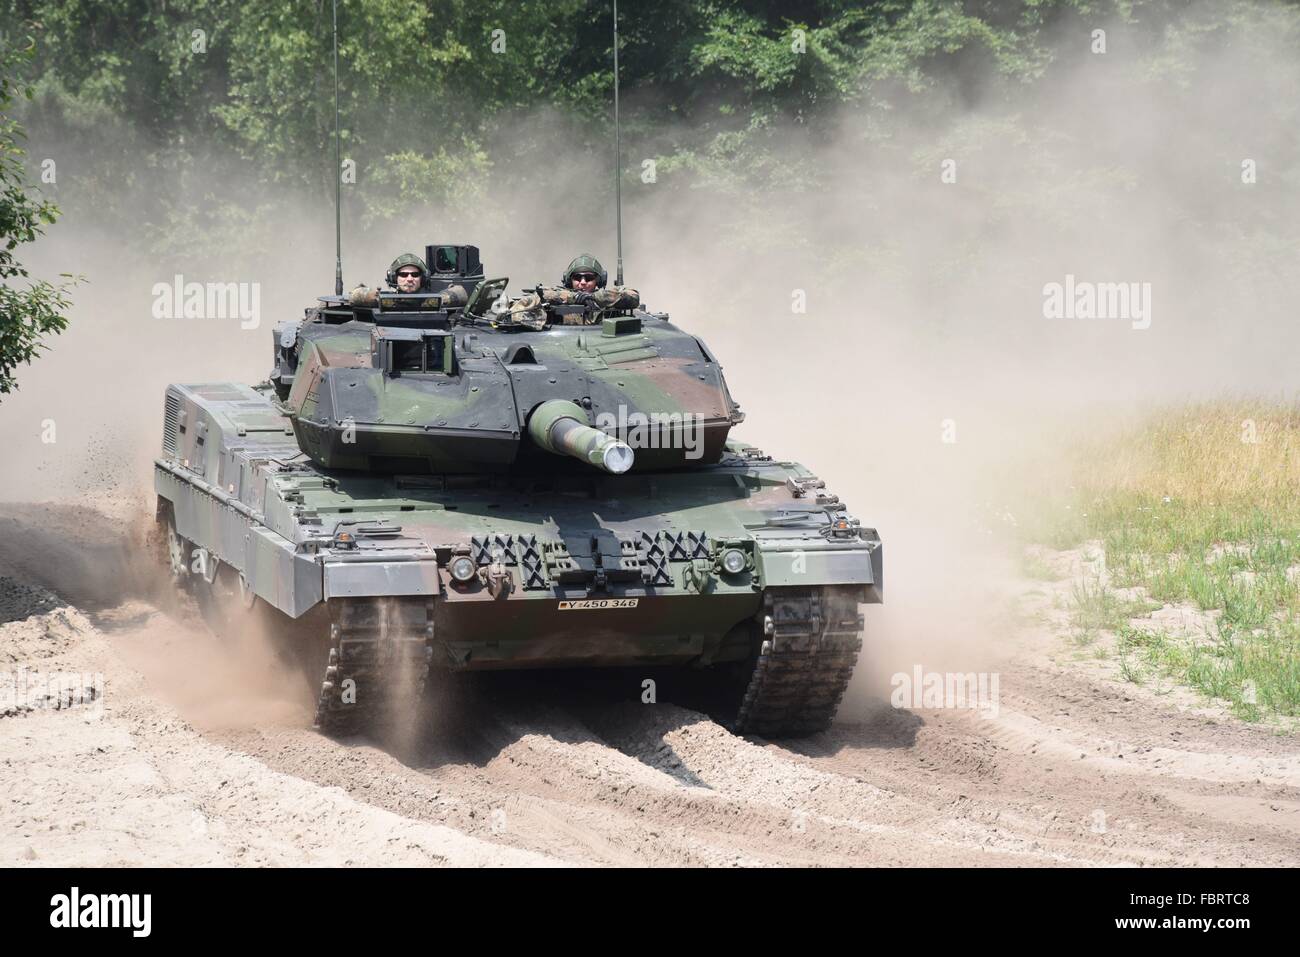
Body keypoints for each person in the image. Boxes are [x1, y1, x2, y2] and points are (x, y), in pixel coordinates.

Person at [348, 253, 427, 305]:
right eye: (403, 275)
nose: (410, 279)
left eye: (415, 274)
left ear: (423, 278)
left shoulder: (431, 301)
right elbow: (353, 296)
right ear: (394, 278)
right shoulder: (386, 301)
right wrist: (367, 295)